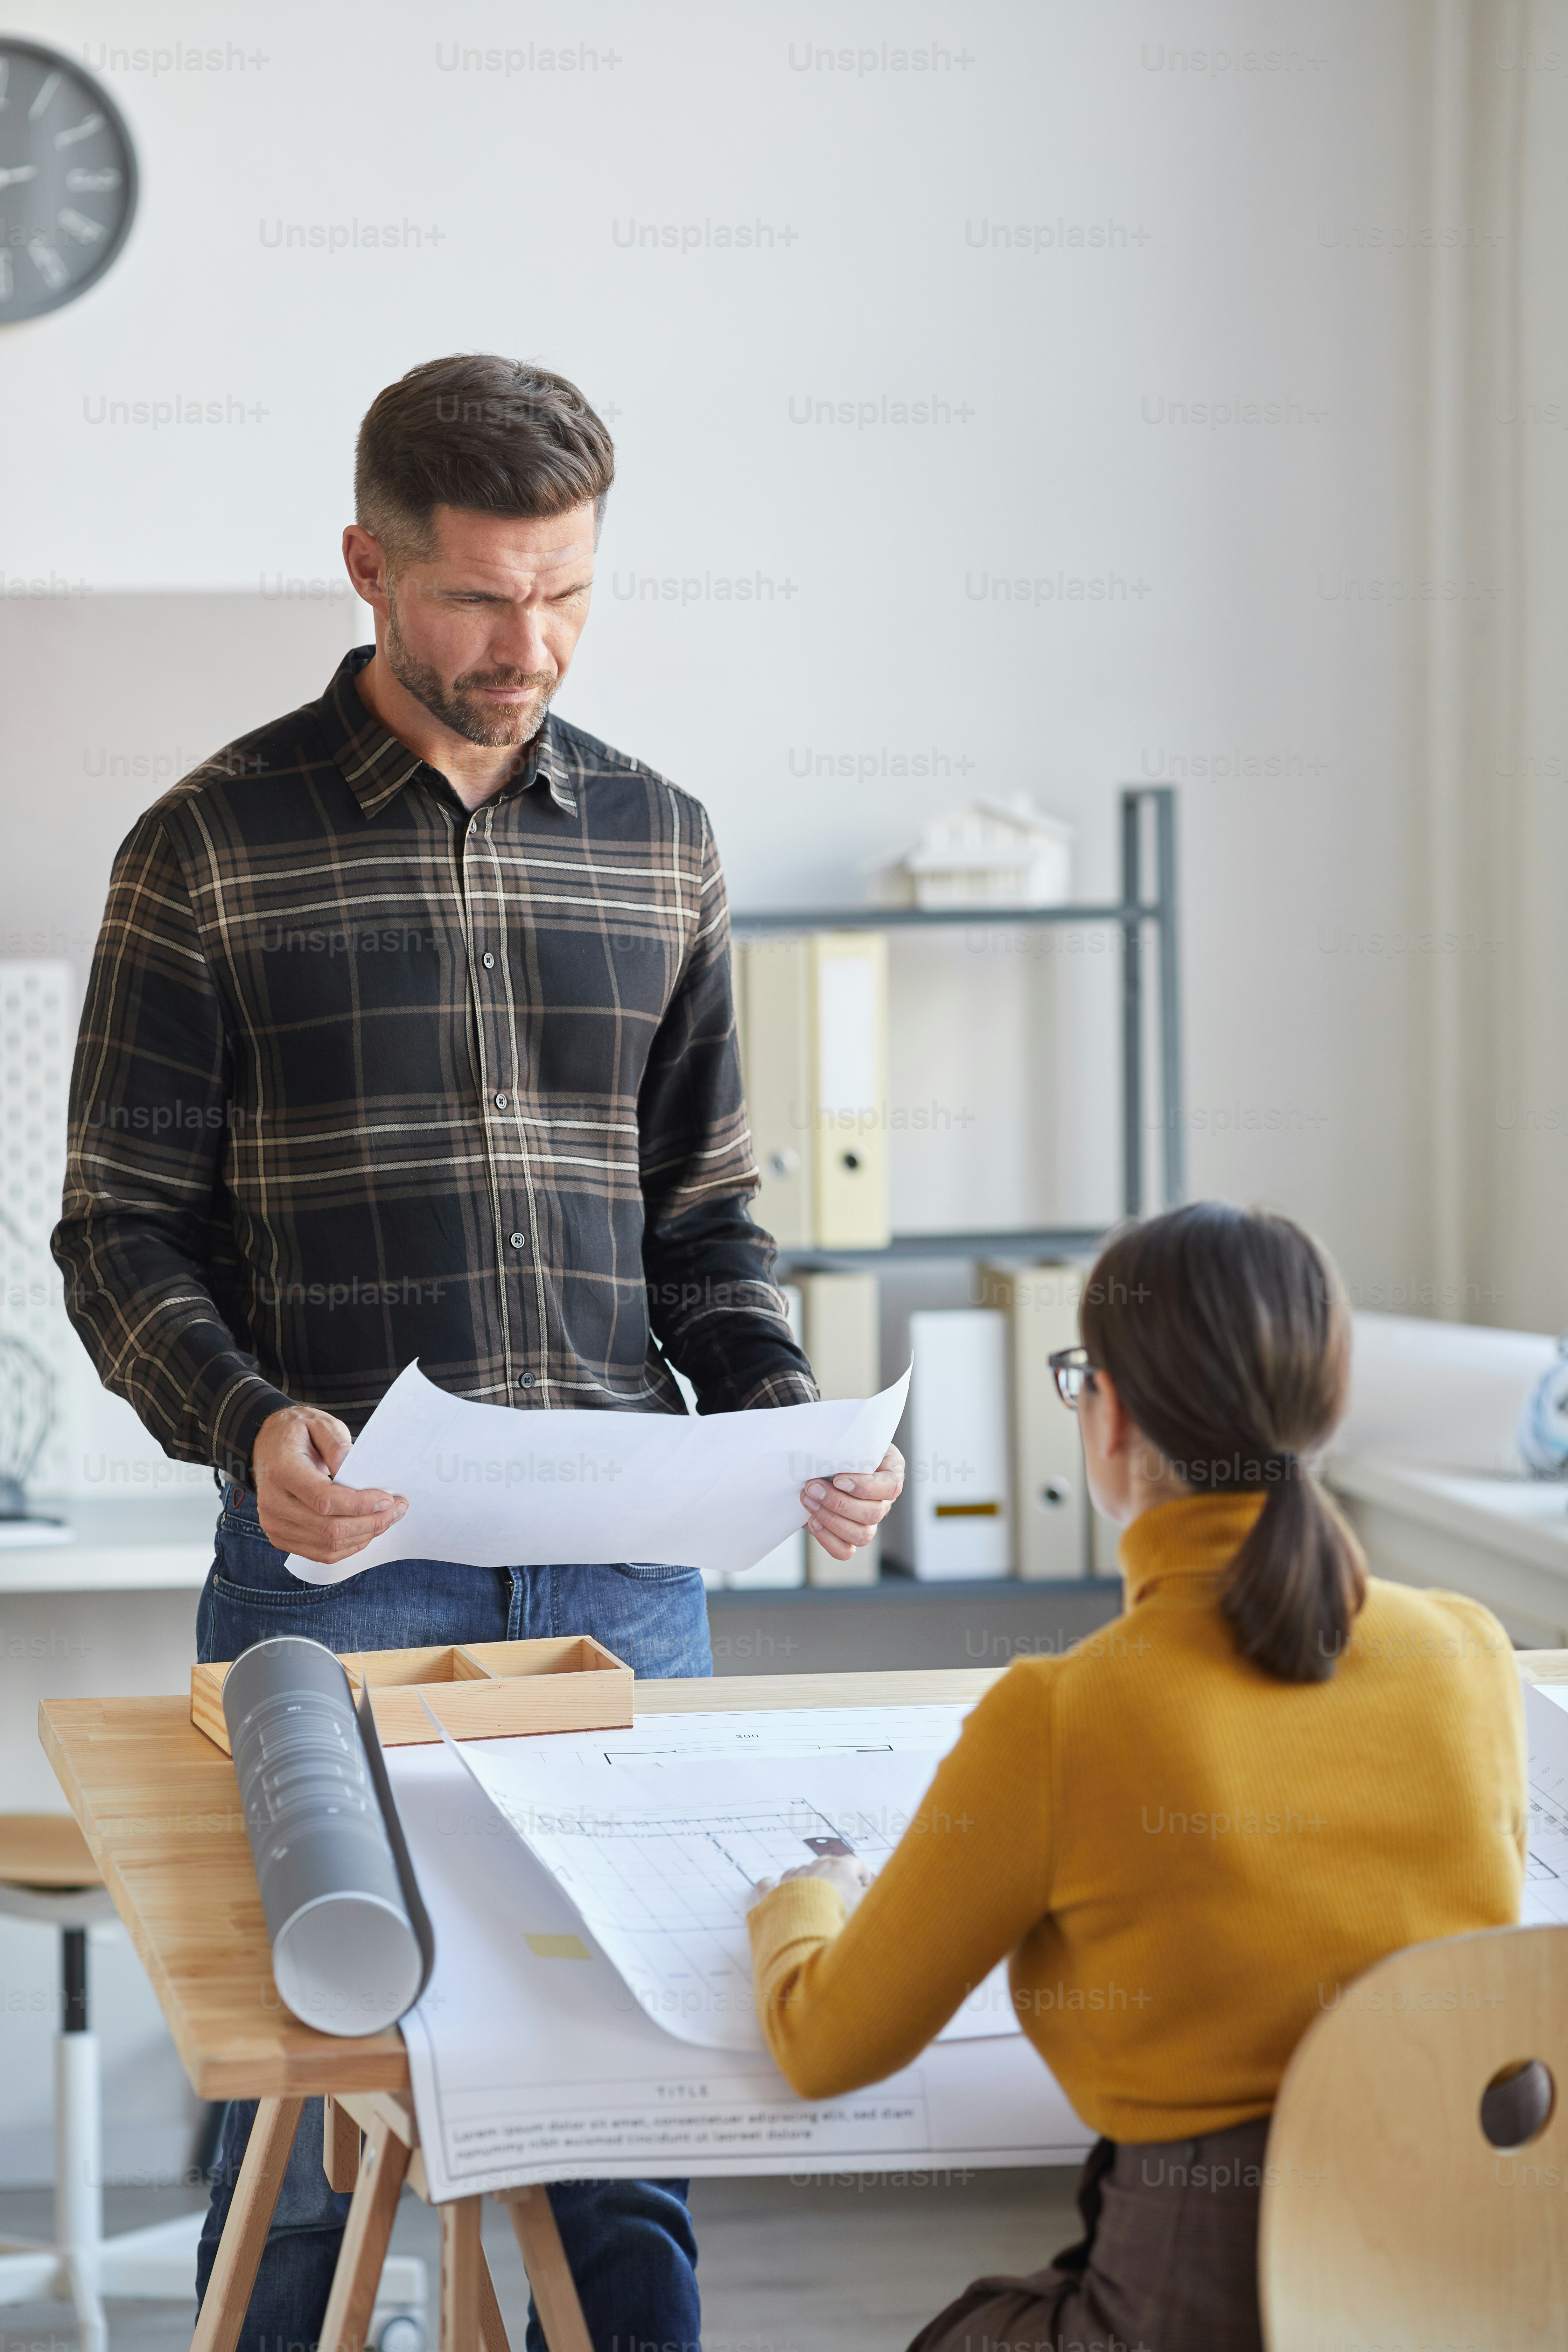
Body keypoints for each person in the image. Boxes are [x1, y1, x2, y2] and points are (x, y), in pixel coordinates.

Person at [50, 353, 904, 2352]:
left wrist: (781, 1420)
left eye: (572, 595)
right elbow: (116, 1235)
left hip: (626, 1589)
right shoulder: (208, 848)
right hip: (334, 1572)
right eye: (480, 599)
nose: (531, 646)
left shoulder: (664, 843)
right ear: (367, 565)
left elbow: (702, 1234)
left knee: (635, 2088)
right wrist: (251, 1420)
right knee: (306, 2103)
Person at [746, 1202, 1526, 2352]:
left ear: (1110, 1422)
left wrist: (802, 1900)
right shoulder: (1467, 1649)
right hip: (1470, 2296)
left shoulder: (1064, 1714)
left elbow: (824, 2048)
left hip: (1202, 2308)